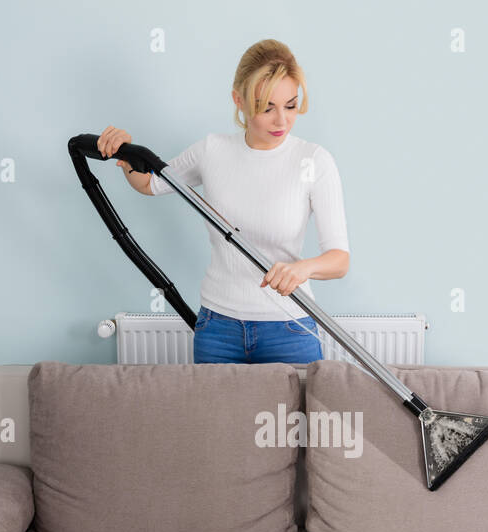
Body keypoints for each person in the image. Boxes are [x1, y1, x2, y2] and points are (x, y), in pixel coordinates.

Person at [99, 39, 349, 364]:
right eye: (266, 107)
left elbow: (339, 260)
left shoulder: (314, 160)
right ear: (239, 101)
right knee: (216, 418)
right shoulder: (211, 151)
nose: (281, 121)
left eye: (290, 105)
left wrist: (303, 269)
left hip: (289, 329)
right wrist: (125, 151)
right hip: (218, 329)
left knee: (288, 418)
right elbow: (149, 183)